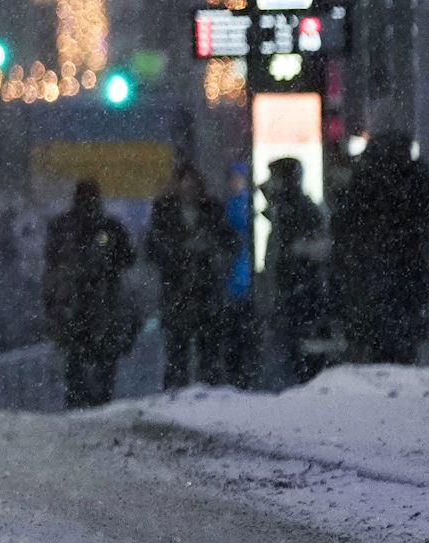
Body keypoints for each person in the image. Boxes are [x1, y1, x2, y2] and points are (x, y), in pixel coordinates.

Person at [331, 131, 429, 366]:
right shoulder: (416, 177)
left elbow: (342, 225)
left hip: (369, 275)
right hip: (410, 273)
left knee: (378, 341)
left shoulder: (365, 180)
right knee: (403, 340)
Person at [41, 177, 139, 409]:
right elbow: (53, 264)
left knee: (95, 362)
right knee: (82, 363)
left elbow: (126, 258)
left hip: (99, 304)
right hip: (80, 306)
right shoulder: (68, 227)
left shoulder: (106, 227)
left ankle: (90, 404)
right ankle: (87, 404)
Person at [145, 161, 237, 389]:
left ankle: (208, 391)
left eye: (192, 185)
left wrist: (211, 250)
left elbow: (230, 241)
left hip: (205, 291)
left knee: (208, 351)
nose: (188, 190)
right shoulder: (164, 212)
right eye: (184, 185)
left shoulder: (211, 210)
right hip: (178, 291)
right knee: (177, 352)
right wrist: (181, 251)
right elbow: (153, 248)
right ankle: (178, 392)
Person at [257, 155, 332, 386]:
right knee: (291, 355)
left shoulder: (297, 211)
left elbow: (297, 254)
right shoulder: (290, 209)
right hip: (293, 294)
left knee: (293, 356)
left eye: (275, 177)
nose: (269, 183)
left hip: (296, 295)